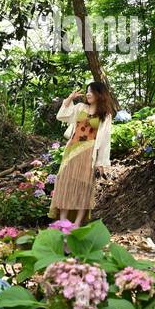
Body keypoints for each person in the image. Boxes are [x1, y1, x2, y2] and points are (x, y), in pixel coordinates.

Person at [49, 79, 116, 228]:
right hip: (72, 150)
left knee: (83, 187)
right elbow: (62, 116)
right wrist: (69, 99)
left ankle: (77, 224)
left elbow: (105, 141)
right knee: (66, 183)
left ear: (100, 94)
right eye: (87, 91)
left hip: (89, 153)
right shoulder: (80, 107)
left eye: (91, 91)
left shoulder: (105, 115)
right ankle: (63, 222)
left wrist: (101, 163)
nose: (88, 93)